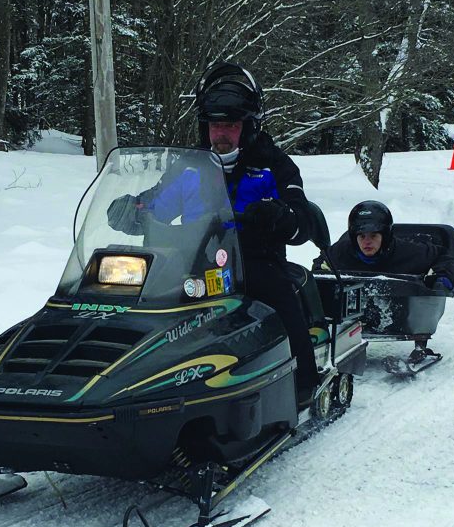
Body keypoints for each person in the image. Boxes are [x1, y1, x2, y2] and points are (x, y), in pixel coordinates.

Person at [108, 62, 320, 406]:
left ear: (248, 126)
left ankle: (302, 384)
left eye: (231, 125)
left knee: (280, 298)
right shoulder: (190, 166)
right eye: (215, 125)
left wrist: (280, 216)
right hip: (193, 260)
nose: (221, 134)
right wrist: (132, 211)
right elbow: (159, 203)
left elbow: (302, 222)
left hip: (255, 261)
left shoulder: (274, 166)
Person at [313, 201, 454, 292]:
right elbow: (322, 263)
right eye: (362, 236)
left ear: (385, 236)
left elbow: (443, 256)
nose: (367, 242)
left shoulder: (409, 253)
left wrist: (441, 277)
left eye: (373, 236)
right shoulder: (341, 252)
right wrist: (321, 274)